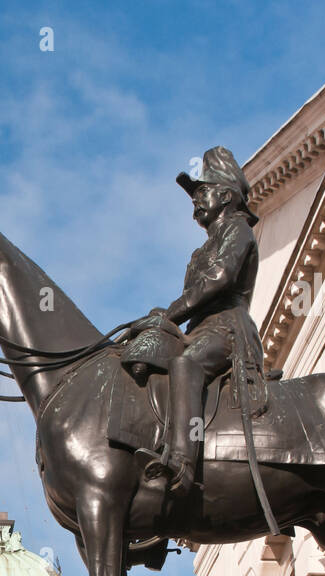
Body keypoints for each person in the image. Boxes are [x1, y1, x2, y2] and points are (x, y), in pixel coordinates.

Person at [130, 146, 265, 496]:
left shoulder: (239, 230)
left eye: (201, 191)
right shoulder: (199, 251)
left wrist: (169, 312)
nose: (195, 201)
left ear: (224, 194)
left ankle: (181, 463)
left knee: (186, 363)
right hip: (198, 329)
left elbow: (218, 279)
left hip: (227, 329)